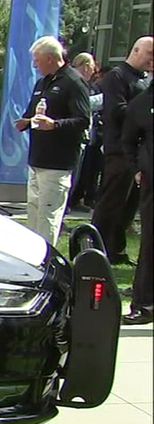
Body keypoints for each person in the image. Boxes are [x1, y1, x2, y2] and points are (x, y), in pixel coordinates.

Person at [14, 36, 91, 245]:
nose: (34, 65)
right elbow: (32, 113)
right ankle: (31, 254)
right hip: (37, 158)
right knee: (34, 209)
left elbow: (83, 120)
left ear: (50, 58)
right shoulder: (42, 82)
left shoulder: (73, 82)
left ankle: (47, 259)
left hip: (58, 161)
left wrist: (55, 125)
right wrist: (25, 122)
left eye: (37, 60)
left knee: (48, 214)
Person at [91, 36, 153, 265]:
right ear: (136, 51)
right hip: (119, 150)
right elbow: (117, 110)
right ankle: (95, 247)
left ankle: (116, 249)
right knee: (111, 201)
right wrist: (144, 114)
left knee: (129, 205)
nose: (152, 60)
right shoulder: (116, 77)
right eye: (150, 54)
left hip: (141, 151)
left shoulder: (145, 80)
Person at [121, 84, 153, 325]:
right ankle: (144, 304)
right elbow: (128, 140)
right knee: (150, 243)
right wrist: (137, 169)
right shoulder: (142, 102)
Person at [67, 52, 104, 214]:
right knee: (71, 175)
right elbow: (84, 104)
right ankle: (66, 205)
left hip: (86, 136)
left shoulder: (85, 84)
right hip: (73, 135)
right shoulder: (75, 82)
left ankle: (73, 201)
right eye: (90, 67)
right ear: (86, 66)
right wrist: (107, 97)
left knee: (81, 174)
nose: (92, 71)